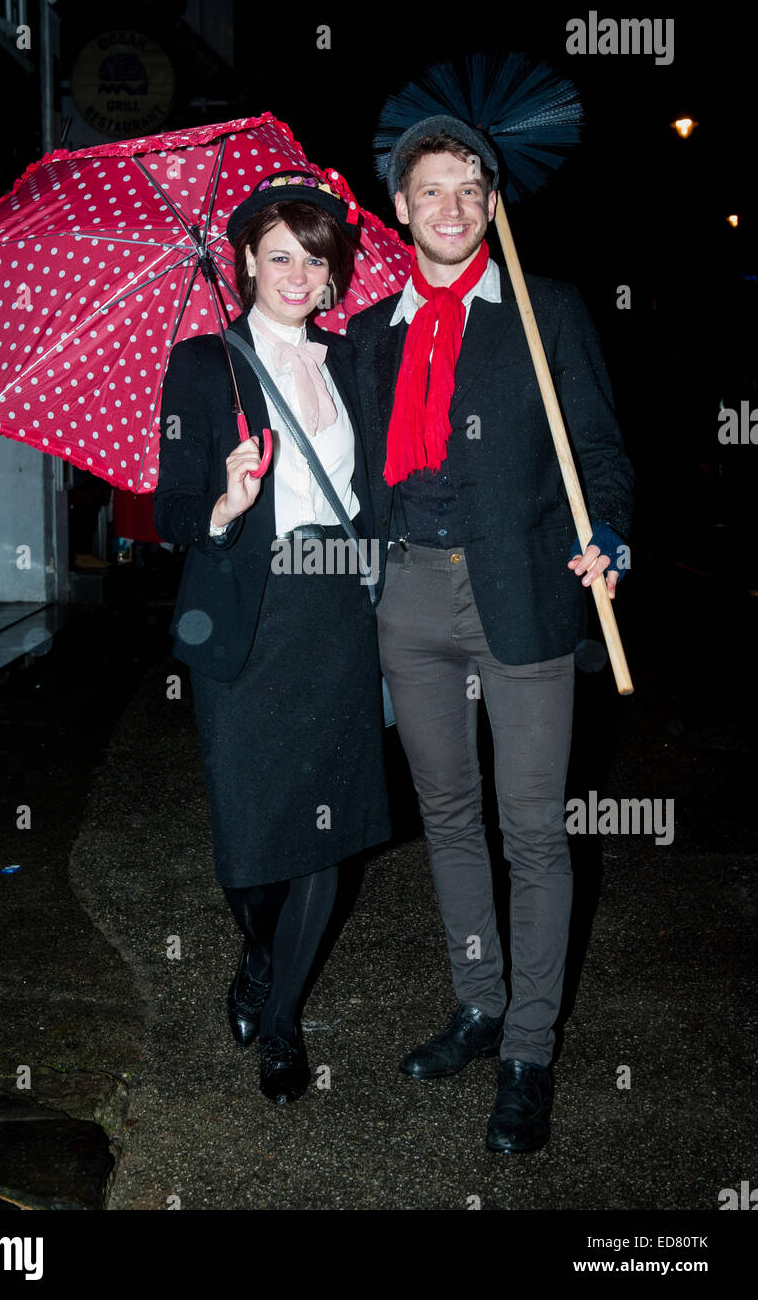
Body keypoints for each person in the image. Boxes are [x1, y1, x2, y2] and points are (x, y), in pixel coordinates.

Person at [346, 121, 634, 1152]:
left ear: (491, 202)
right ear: (400, 208)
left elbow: (598, 450)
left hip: (521, 595)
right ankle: (475, 1001)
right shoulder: (372, 332)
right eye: (431, 191)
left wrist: (605, 534)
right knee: (446, 815)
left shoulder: (544, 310)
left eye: (470, 189)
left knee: (531, 830)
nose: (452, 208)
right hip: (409, 601)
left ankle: (526, 1049)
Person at [153, 172, 391, 1105]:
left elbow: (386, 486)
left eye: (315, 256)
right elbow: (172, 508)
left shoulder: (355, 361)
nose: (297, 272)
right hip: (246, 622)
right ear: (246, 258)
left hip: (337, 620)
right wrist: (224, 501)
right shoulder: (204, 367)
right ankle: (259, 951)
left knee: (327, 840)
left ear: (334, 274)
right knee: (253, 843)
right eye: (279, 254)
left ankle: (284, 1020)